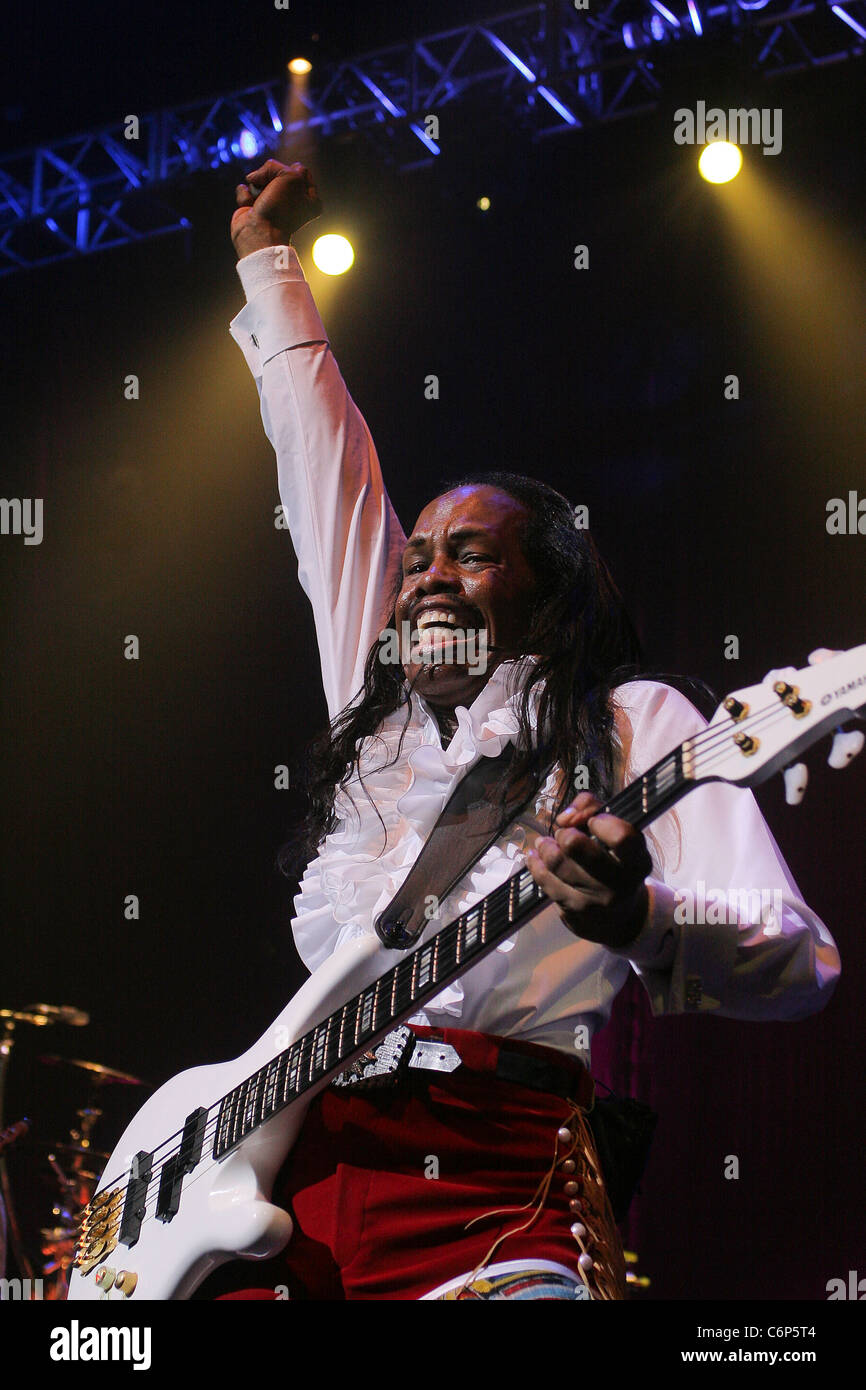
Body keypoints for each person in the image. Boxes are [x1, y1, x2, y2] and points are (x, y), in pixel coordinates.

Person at [218, 161, 840, 1301]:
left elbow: (796, 959)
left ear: (545, 594)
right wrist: (268, 259)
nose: (427, 578)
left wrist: (639, 917)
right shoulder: (383, 715)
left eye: (471, 554)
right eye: (416, 559)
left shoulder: (629, 722)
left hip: (496, 1185)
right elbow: (325, 477)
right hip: (304, 1176)